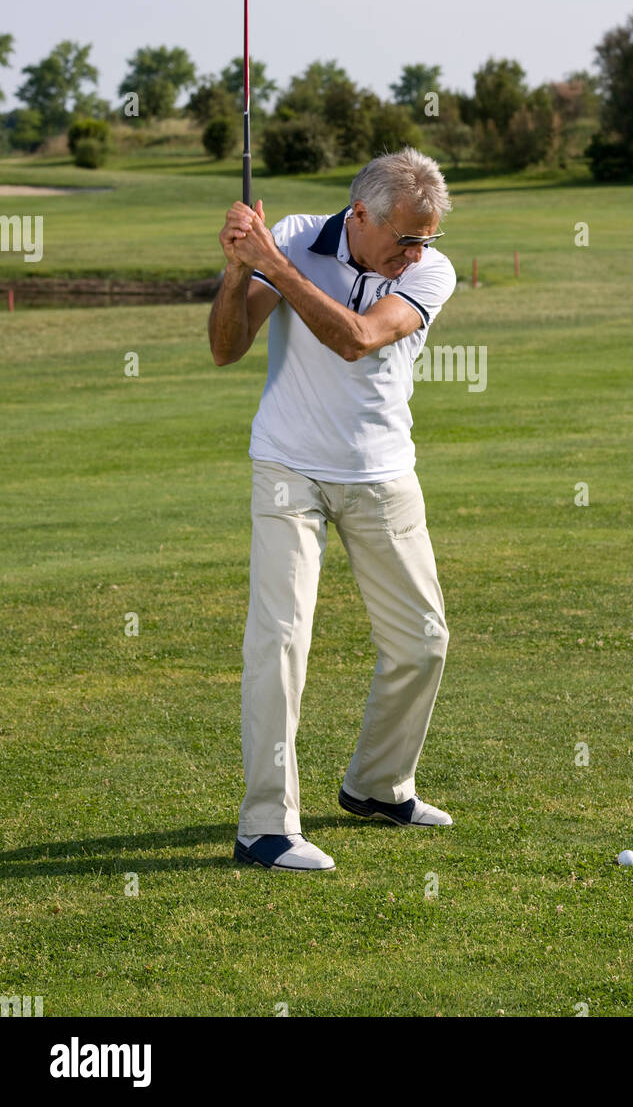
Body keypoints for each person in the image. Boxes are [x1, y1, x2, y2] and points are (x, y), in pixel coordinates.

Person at [208, 147, 457, 872]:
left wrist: (274, 267)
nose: (416, 253)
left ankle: (378, 786)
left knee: (423, 641)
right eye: (405, 237)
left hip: (382, 474)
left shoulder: (429, 272)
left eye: (426, 237)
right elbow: (227, 349)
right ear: (359, 216)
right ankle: (265, 827)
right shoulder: (291, 236)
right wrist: (236, 269)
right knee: (279, 642)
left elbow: (357, 339)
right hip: (287, 469)